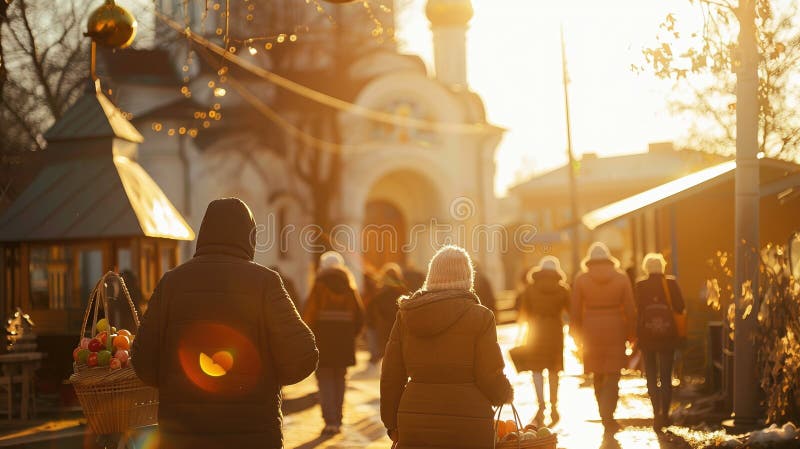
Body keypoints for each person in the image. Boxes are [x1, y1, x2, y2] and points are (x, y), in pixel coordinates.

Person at [132, 198, 318, 449]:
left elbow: (143, 361)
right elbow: (303, 355)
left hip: (183, 436)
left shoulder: (172, 283)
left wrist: (175, 382)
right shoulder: (265, 283)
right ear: (248, 236)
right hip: (253, 435)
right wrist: (265, 378)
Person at [381, 245, 513, 449]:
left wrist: (391, 422)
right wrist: (502, 393)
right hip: (469, 420)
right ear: (468, 277)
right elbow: (489, 374)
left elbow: (391, 375)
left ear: (432, 275)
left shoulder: (406, 315)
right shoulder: (481, 316)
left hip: (416, 417)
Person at [570, 242, 636, 436]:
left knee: (597, 372)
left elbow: (575, 310)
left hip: (591, 328)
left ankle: (603, 412)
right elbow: (631, 309)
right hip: (615, 327)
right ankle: (609, 414)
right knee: (613, 374)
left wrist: (575, 334)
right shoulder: (621, 277)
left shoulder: (581, 279)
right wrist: (631, 333)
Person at [302, 251, 364, 436]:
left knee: (325, 380)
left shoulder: (319, 286)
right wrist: (350, 336)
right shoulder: (349, 286)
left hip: (323, 341)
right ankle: (338, 419)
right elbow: (360, 316)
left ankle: (329, 421)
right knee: (340, 379)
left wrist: (308, 337)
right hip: (344, 342)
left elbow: (309, 315)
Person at [516, 256, 569, 427]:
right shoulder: (562, 289)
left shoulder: (530, 289)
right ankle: (554, 405)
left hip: (535, 332)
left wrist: (520, 333)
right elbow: (570, 312)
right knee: (554, 370)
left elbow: (523, 313)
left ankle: (541, 405)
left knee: (536, 370)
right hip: (555, 331)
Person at [634, 253, 685, 433]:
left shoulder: (641, 285)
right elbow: (680, 307)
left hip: (647, 336)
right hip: (667, 336)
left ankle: (656, 412)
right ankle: (665, 413)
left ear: (646, 267)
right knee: (665, 376)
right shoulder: (670, 283)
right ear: (662, 267)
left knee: (651, 376)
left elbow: (637, 310)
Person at [365, 263, 407, 363]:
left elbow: (371, 312)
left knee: (386, 358)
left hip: (382, 329)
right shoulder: (402, 292)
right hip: (398, 327)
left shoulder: (379, 293)